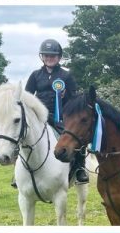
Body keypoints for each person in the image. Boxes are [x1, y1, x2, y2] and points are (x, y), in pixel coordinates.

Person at [24, 39, 88, 185]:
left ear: (58, 57)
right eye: (46, 55)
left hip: (61, 116)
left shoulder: (66, 76)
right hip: (39, 115)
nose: (49, 58)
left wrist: (67, 95)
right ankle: (20, 170)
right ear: (42, 57)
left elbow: (75, 99)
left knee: (75, 135)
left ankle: (79, 169)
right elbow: (27, 95)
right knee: (24, 135)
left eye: (52, 56)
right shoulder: (35, 75)